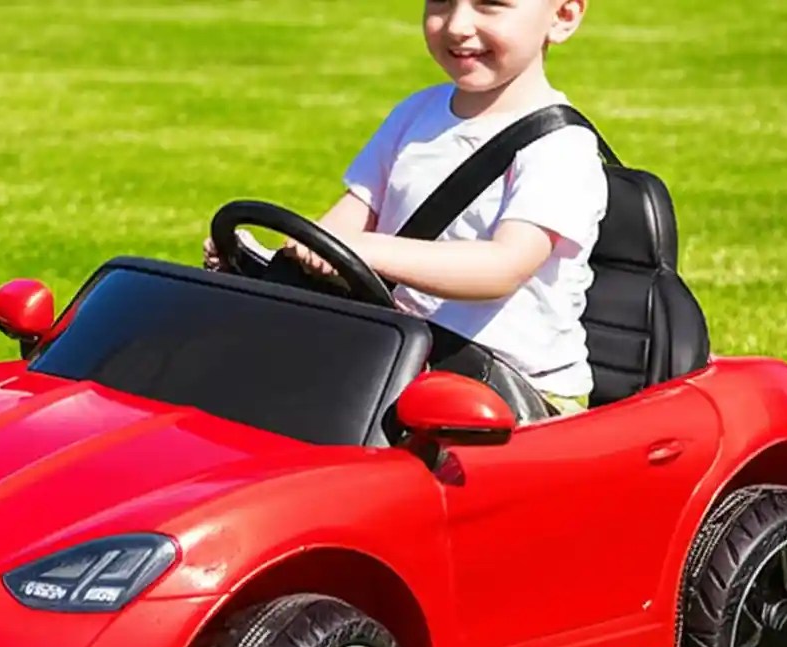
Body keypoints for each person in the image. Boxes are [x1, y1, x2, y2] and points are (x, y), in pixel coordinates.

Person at [204, 0, 608, 416]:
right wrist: (268, 265)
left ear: (563, 17)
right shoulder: (415, 114)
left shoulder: (560, 148)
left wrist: (366, 249)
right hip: (402, 363)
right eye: (441, 2)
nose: (457, 25)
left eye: (490, 5)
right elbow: (342, 228)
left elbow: (502, 267)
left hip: (515, 395)